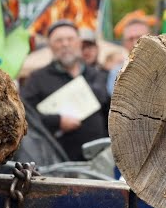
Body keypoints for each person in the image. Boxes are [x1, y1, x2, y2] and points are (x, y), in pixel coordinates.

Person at [20, 19, 111, 161]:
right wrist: (57, 121)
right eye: (59, 40)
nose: (65, 44)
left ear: (79, 43)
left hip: (101, 159)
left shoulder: (97, 75)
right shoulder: (37, 79)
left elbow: (110, 112)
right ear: (50, 46)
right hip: (58, 163)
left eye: (70, 39)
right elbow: (25, 117)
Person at [107, 14, 156, 96]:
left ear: (152, 38)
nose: (135, 43)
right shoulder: (117, 73)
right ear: (124, 44)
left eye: (140, 37)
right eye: (130, 39)